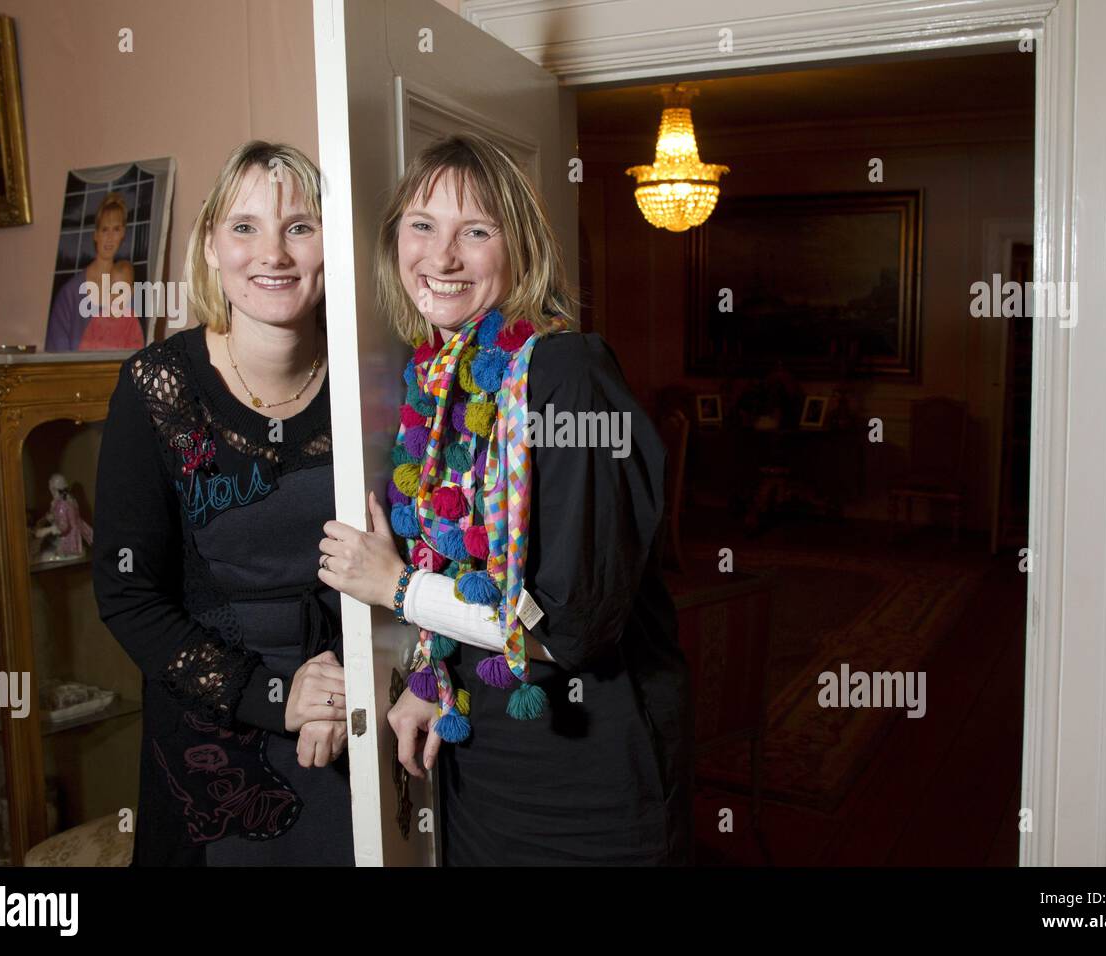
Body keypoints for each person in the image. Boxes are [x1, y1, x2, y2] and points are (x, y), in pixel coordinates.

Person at [318, 132, 693, 865]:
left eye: (476, 232)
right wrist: (432, 676)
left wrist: (395, 587)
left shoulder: (567, 375)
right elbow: (476, 570)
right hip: (484, 758)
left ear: (518, 250)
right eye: (422, 226)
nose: (442, 256)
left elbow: (571, 626)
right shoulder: (439, 377)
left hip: (589, 782)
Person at [92, 141, 352, 866]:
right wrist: (273, 698)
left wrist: (346, 679)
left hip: (350, 712)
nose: (273, 252)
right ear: (210, 245)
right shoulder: (156, 386)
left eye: (300, 226)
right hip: (211, 737)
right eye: (244, 227)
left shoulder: (373, 375)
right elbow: (127, 594)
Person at [45, 191, 144, 352]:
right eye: (105, 229)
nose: (110, 237)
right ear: (96, 234)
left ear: (123, 234)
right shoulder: (71, 293)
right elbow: (56, 353)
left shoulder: (126, 288)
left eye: (116, 229)